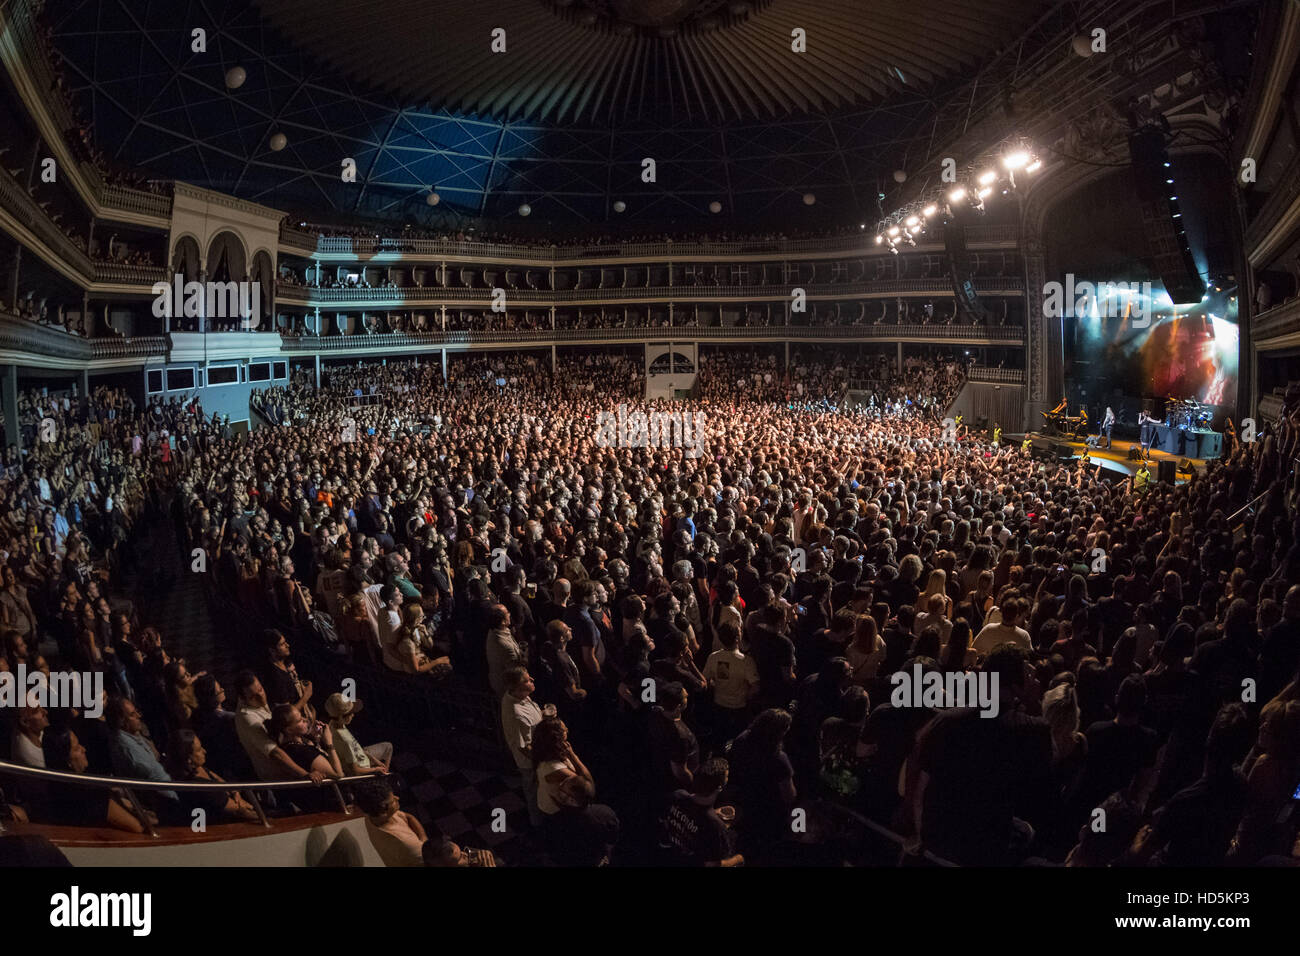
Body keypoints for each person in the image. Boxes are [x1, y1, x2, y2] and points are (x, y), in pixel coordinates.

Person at [664, 757, 742, 866]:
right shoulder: (715, 827)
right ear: (719, 788)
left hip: (676, 853)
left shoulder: (678, 795)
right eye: (727, 776)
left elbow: (691, 814)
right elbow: (712, 865)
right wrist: (739, 859)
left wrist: (714, 813)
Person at [501, 666, 545, 826]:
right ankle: (538, 825)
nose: (532, 680)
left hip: (538, 755)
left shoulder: (520, 696)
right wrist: (542, 761)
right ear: (516, 687)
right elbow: (524, 747)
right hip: (531, 763)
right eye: (526, 680)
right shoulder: (516, 713)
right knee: (534, 793)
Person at [355, 779, 427, 867]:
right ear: (383, 810)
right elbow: (428, 859)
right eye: (393, 800)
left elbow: (409, 817)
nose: (397, 798)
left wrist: (423, 839)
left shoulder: (371, 816)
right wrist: (425, 842)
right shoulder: (406, 843)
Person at [324, 693, 392, 776]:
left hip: (360, 755)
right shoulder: (344, 739)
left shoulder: (334, 723)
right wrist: (375, 769)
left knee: (388, 746)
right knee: (388, 747)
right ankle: (384, 775)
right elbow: (355, 771)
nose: (353, 715)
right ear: (341, 717)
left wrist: (374, 759)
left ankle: (384, 771)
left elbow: (355, 748)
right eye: (350, 713)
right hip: (362, 766)